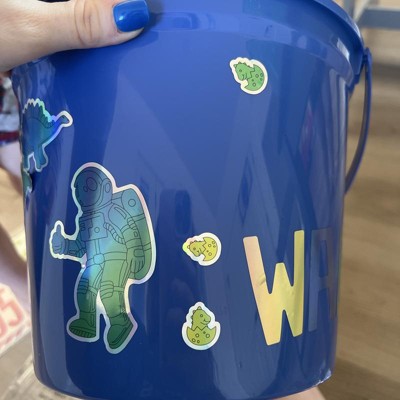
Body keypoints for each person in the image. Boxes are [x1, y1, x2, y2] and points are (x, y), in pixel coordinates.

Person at [0, 1, 326, 399]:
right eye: (83, 193)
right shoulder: (88, 216)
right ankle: (77, 315)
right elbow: (78, 241)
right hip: (32, 58)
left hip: (115, 266)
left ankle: (119, 324)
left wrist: (134, 260)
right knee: (82, 287)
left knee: (112, 300)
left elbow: (128, 236)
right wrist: (57, 248)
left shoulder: (117, 208)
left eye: (89, 190)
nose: (85, 197)